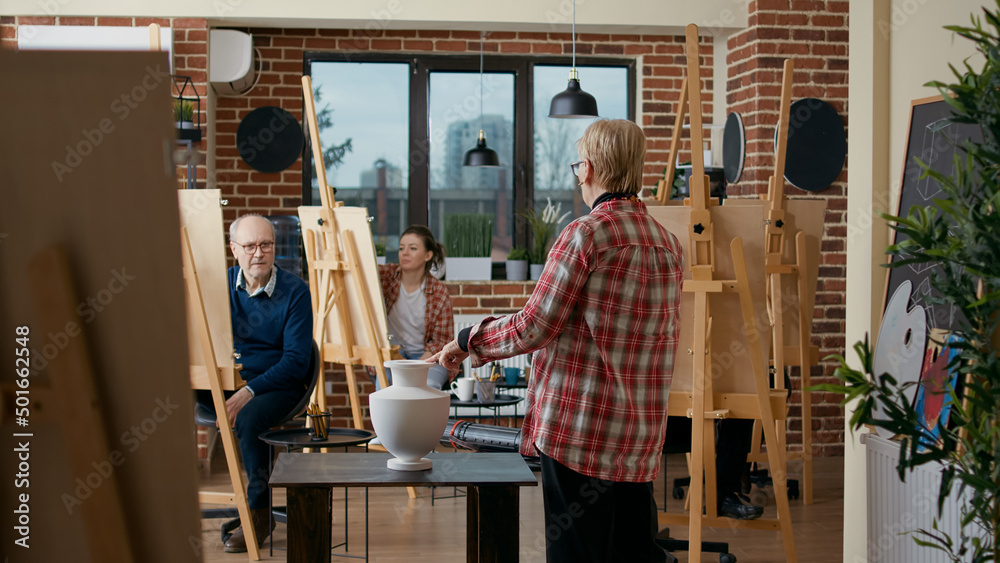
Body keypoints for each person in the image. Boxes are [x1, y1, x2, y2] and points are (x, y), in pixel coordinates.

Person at [431, 119, 683, 563]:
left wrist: (468, 339)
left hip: (580, 434)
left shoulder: (584, 234)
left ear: (586, 168)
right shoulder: (668, 244)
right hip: (639, 437)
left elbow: (534, 327)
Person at [196, 214, 313, 553]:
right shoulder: (220, 286)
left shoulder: (295, 292)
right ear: (234, 249)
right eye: (249, 246)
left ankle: (259, 512)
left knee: (249, 418)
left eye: (266, 245)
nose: (258, 253)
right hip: (229, 379)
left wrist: (248, 392)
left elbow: (295, 362)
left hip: (280, 385)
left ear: (274, 248)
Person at [375, 225, 454, 390]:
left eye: (412, 248)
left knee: (427, 388)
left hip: (427, 356)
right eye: (401, 248)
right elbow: (362, 271)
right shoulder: (386, 276)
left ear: (427, 255)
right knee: (386, 390)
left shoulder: (438, 291)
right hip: (394, 354)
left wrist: (416, 367)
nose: (404, 253)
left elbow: (442, 340)